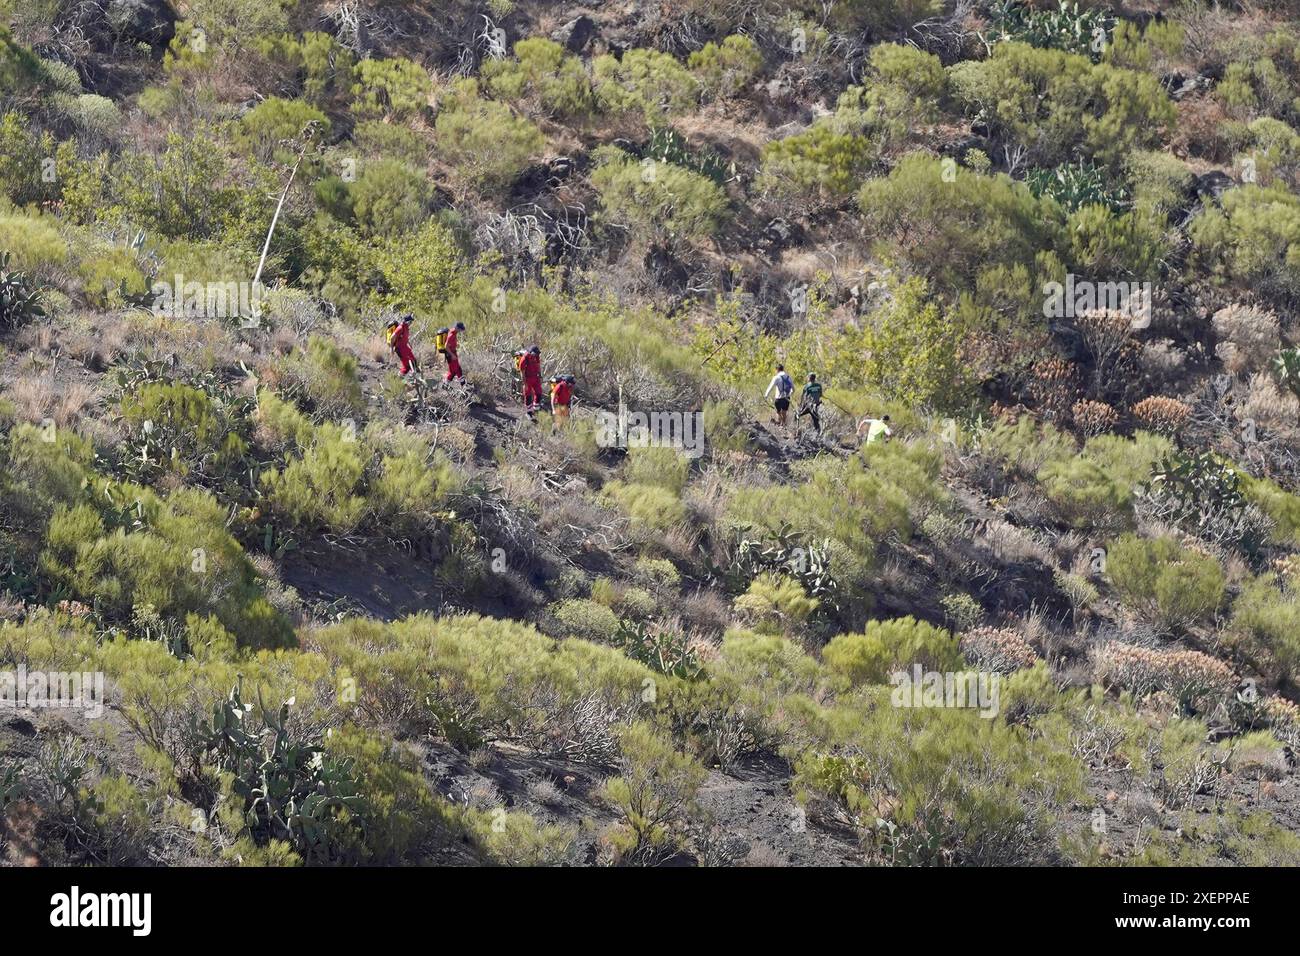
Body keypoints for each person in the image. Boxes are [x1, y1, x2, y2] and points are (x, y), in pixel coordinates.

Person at [763, 363, 795, 430]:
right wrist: (790, 393)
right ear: (783, 369)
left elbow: (770, 387)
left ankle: (779, 426)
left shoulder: (776, 377)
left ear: (777, 369)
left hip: (779, 398)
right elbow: (793, 388)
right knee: (784, 412)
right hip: (787, 398)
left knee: (778, 411)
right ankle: (783, 425)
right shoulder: (788, 377)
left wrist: (766, 395)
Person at [516, 345, 543, 416]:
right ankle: (529, 412)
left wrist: (540, 376)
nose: (536, 355)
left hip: (535, 377)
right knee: (528, 396)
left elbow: (538, 365)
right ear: (530, 352)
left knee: (539, 393)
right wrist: (525, 384)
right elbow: (522, 372)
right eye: (535, 353)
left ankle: (536, 409)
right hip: (527, 379)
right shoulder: (524, 359)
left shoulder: (536, 356)